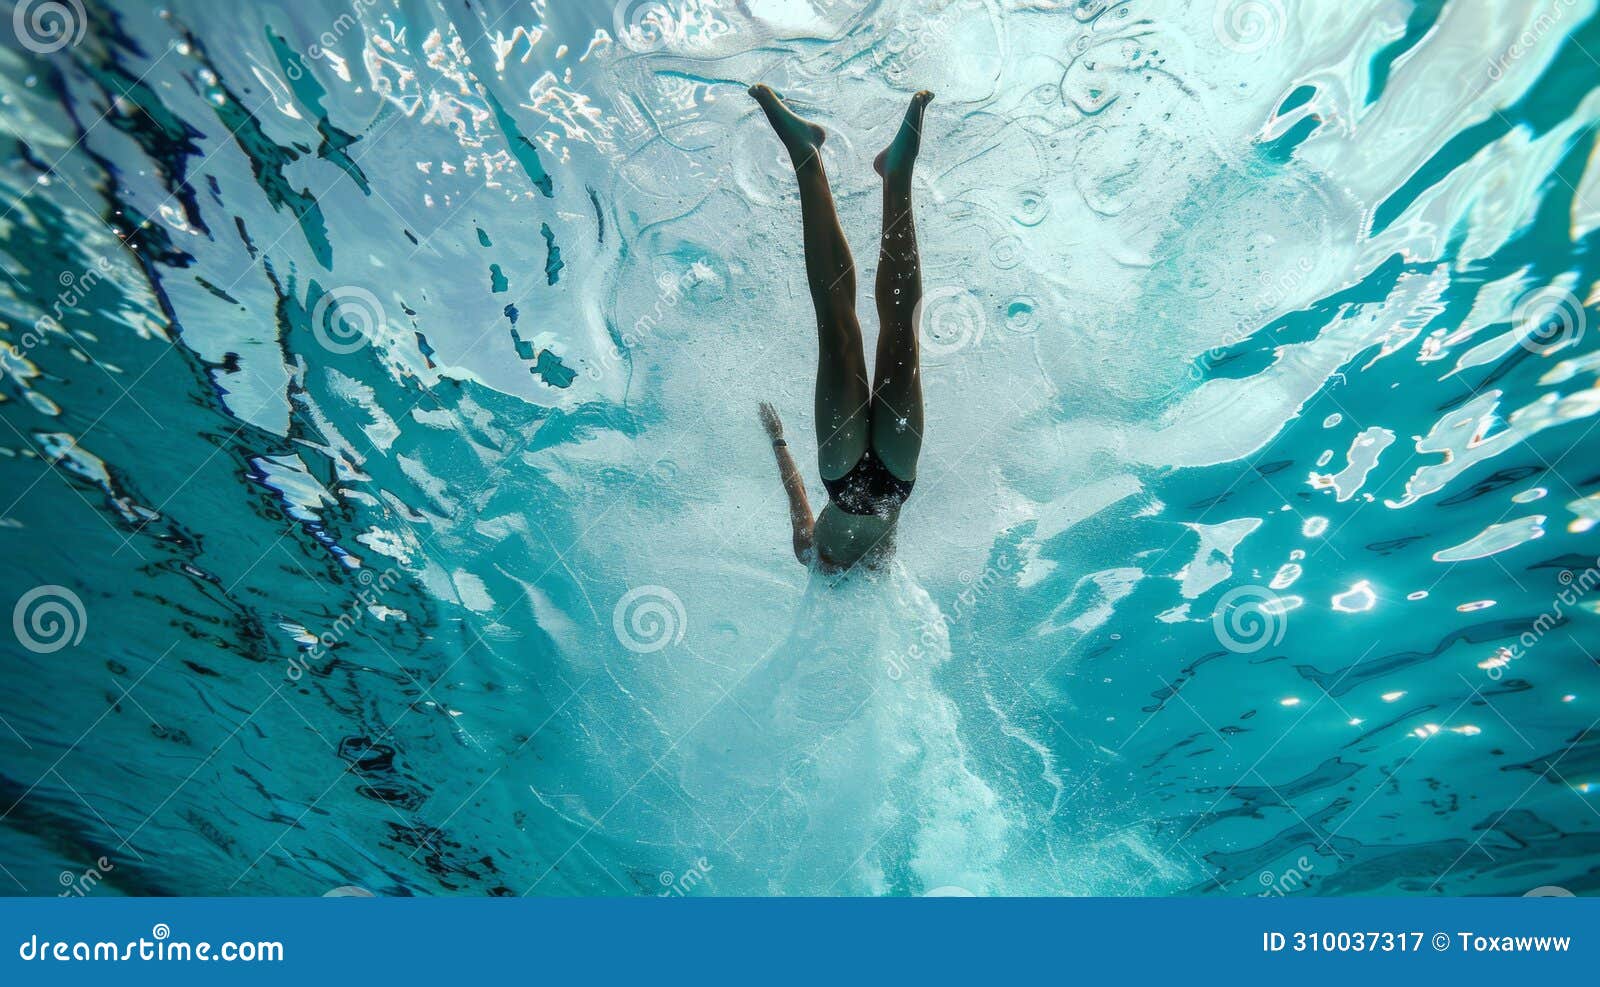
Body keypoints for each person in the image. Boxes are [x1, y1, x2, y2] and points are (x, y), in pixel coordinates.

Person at [751, 84, 933, 573]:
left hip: (844, 477)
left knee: (838, 335)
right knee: (901, 341)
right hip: (894, 484)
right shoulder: (883, 585)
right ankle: (897, 173)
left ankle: (806, 154)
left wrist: (777, 439)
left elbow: (796, 496)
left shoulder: (810, 558)